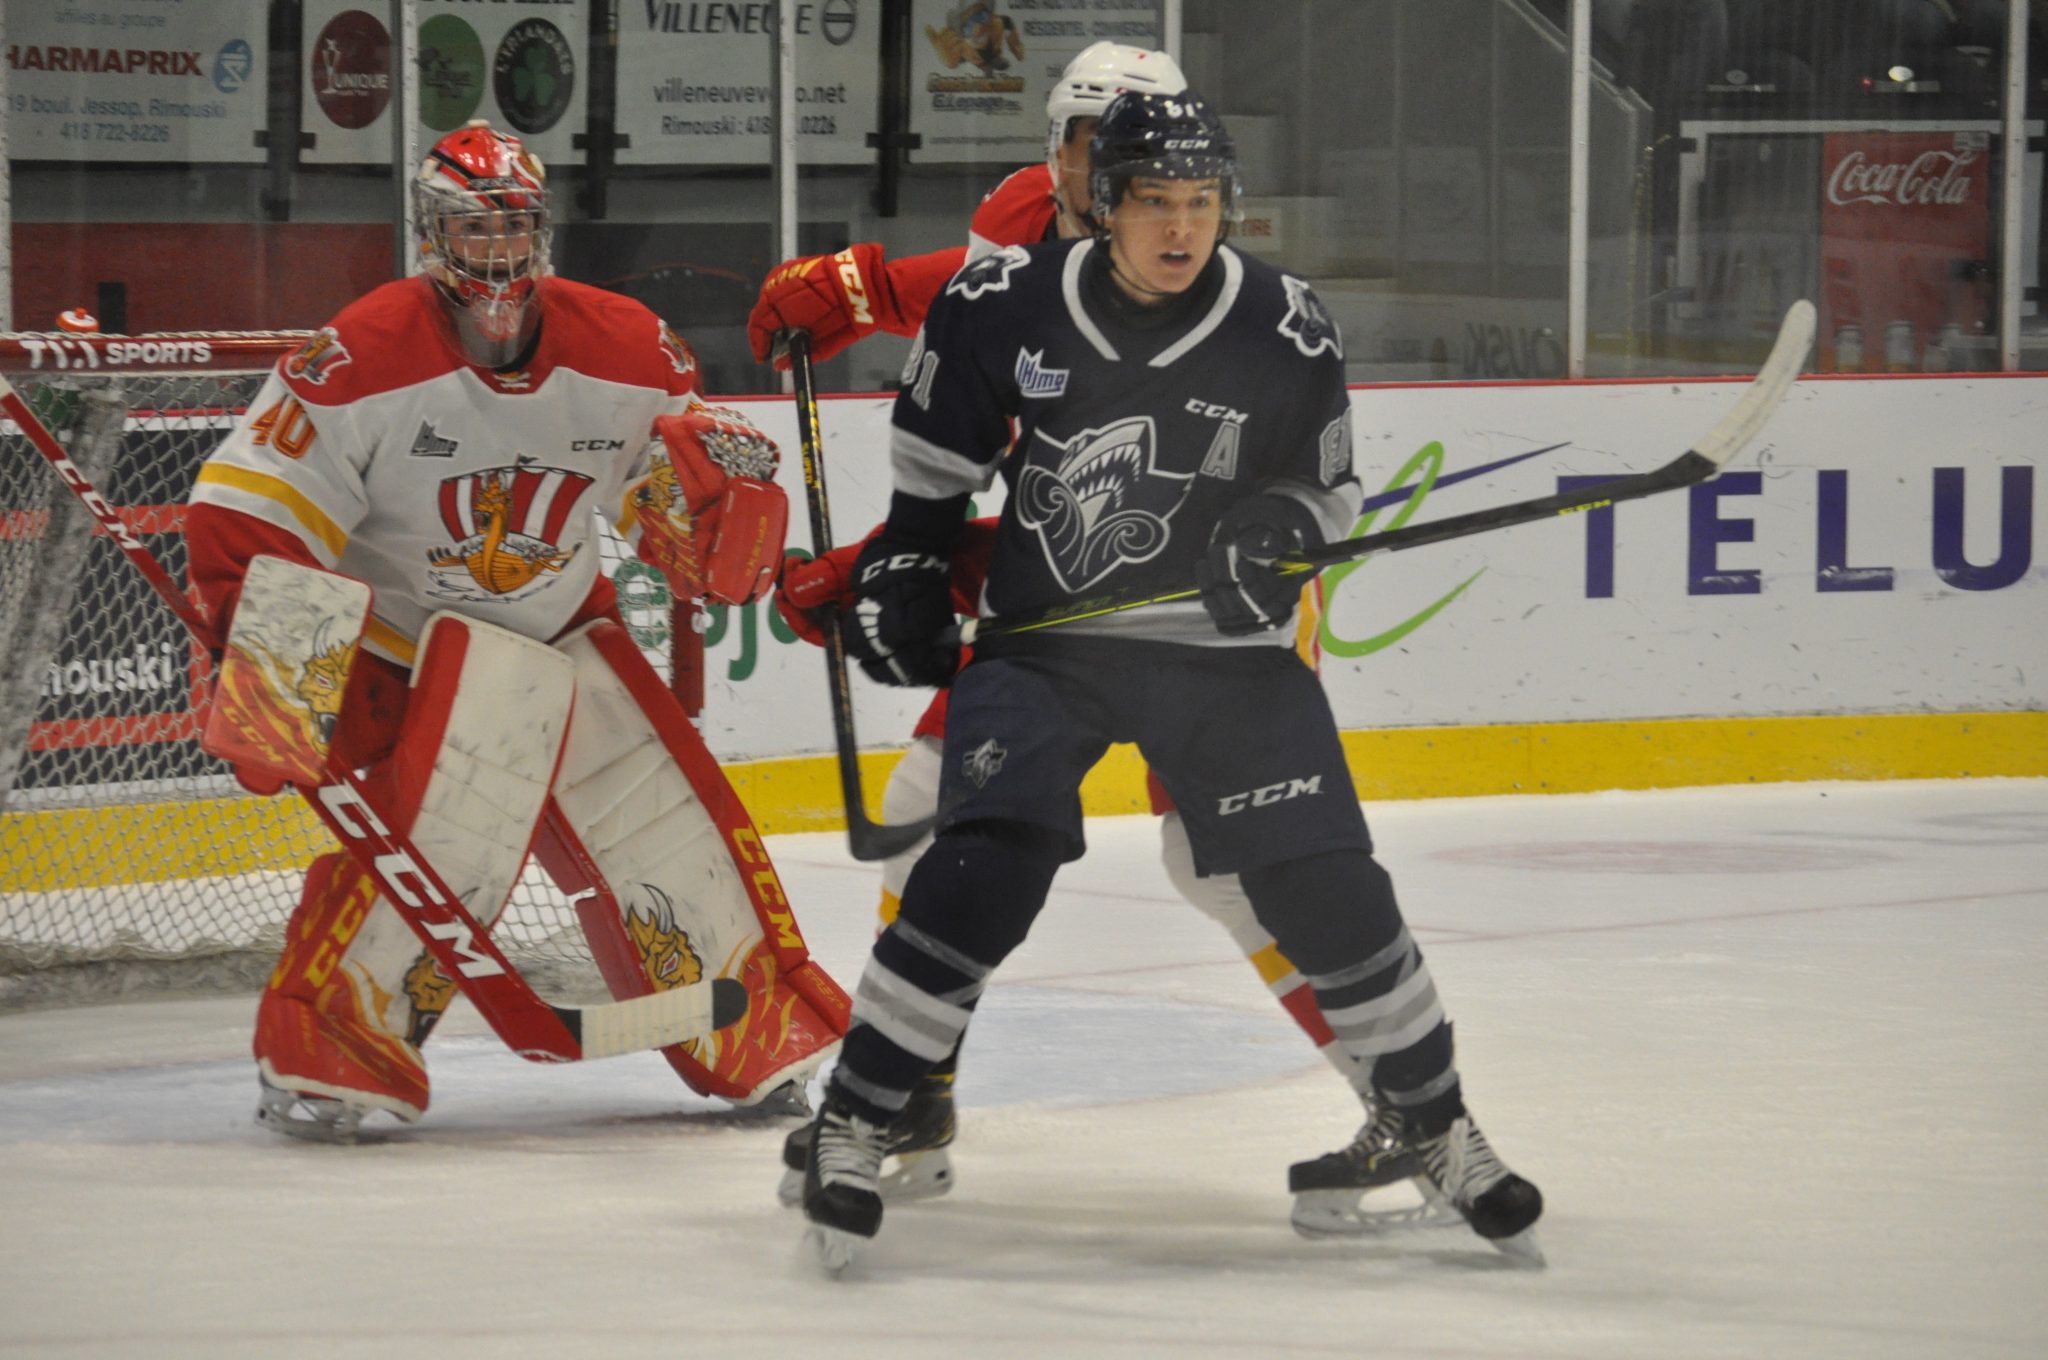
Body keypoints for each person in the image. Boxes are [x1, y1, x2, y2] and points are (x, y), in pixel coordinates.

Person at [792, 90, 1544, 1271]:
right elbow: (932, 482)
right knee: (986, 859)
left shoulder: (1282, 324)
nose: (1180, 229)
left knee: (1325, 885)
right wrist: (904, 569)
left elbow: (1324, 492)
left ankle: (1439, 1128)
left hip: (1218, 649)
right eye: (1154, 203)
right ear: (1100, 205)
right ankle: (858, 1116)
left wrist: (1277, 530)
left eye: (1199, 205)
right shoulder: (1001, 302)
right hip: (1045, 642)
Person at [184, 120, 849, 1141]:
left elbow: (668, 481)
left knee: (670, 822)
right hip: (412, 648)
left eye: (513, 225)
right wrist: (263, 647)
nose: (496, 247)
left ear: (540, 233)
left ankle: (751, 1028)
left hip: (564, 626)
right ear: (430, 233)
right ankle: (330, 1049)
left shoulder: (627, 341)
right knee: (448, 845)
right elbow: (249, 508)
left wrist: (712, 502)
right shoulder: (359, 352)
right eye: (472, 225)